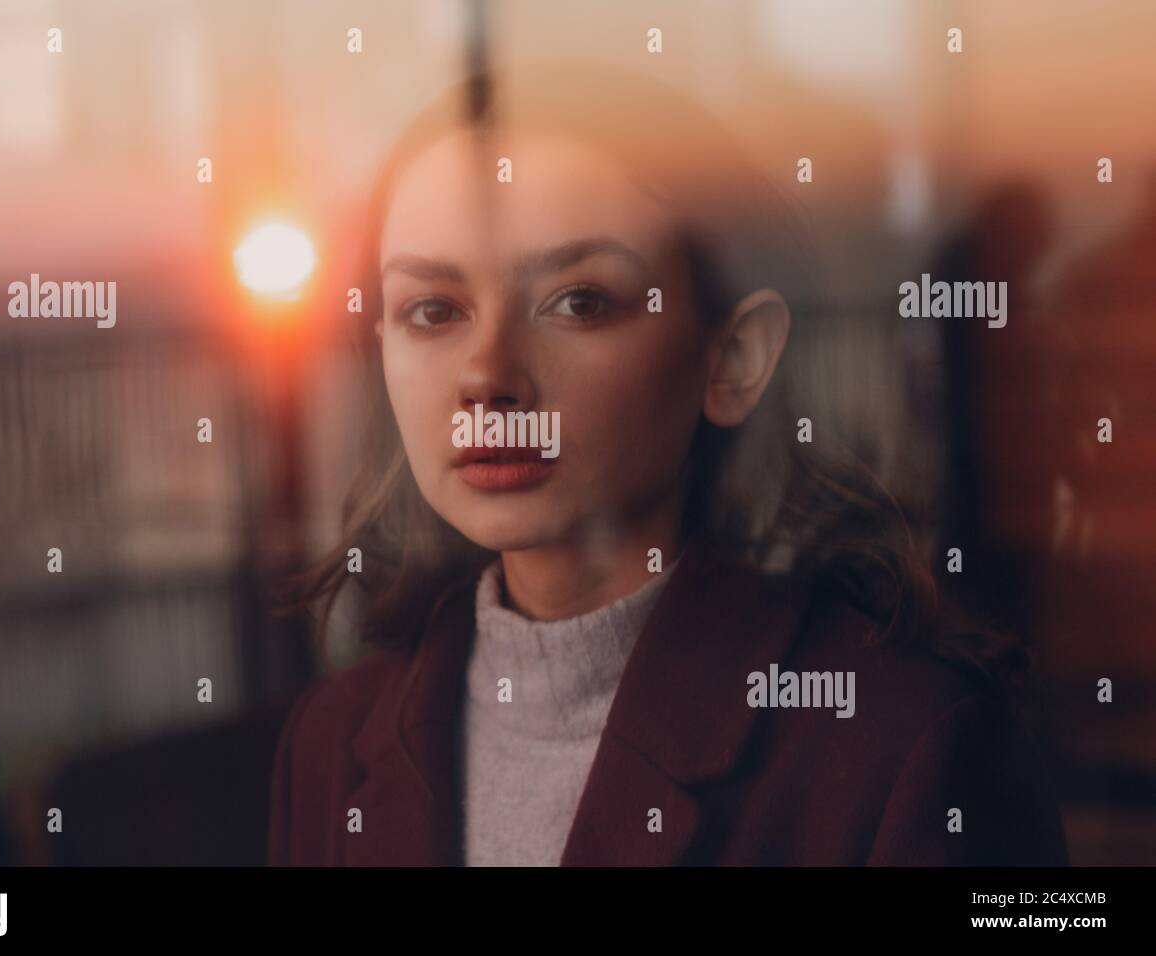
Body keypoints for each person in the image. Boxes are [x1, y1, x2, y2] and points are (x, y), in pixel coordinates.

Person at [266, 58, 1069, 866]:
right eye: (432, 311)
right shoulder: (333, 743)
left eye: (579, 301)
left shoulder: (907, 743)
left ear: (734, 359)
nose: (486, 376)